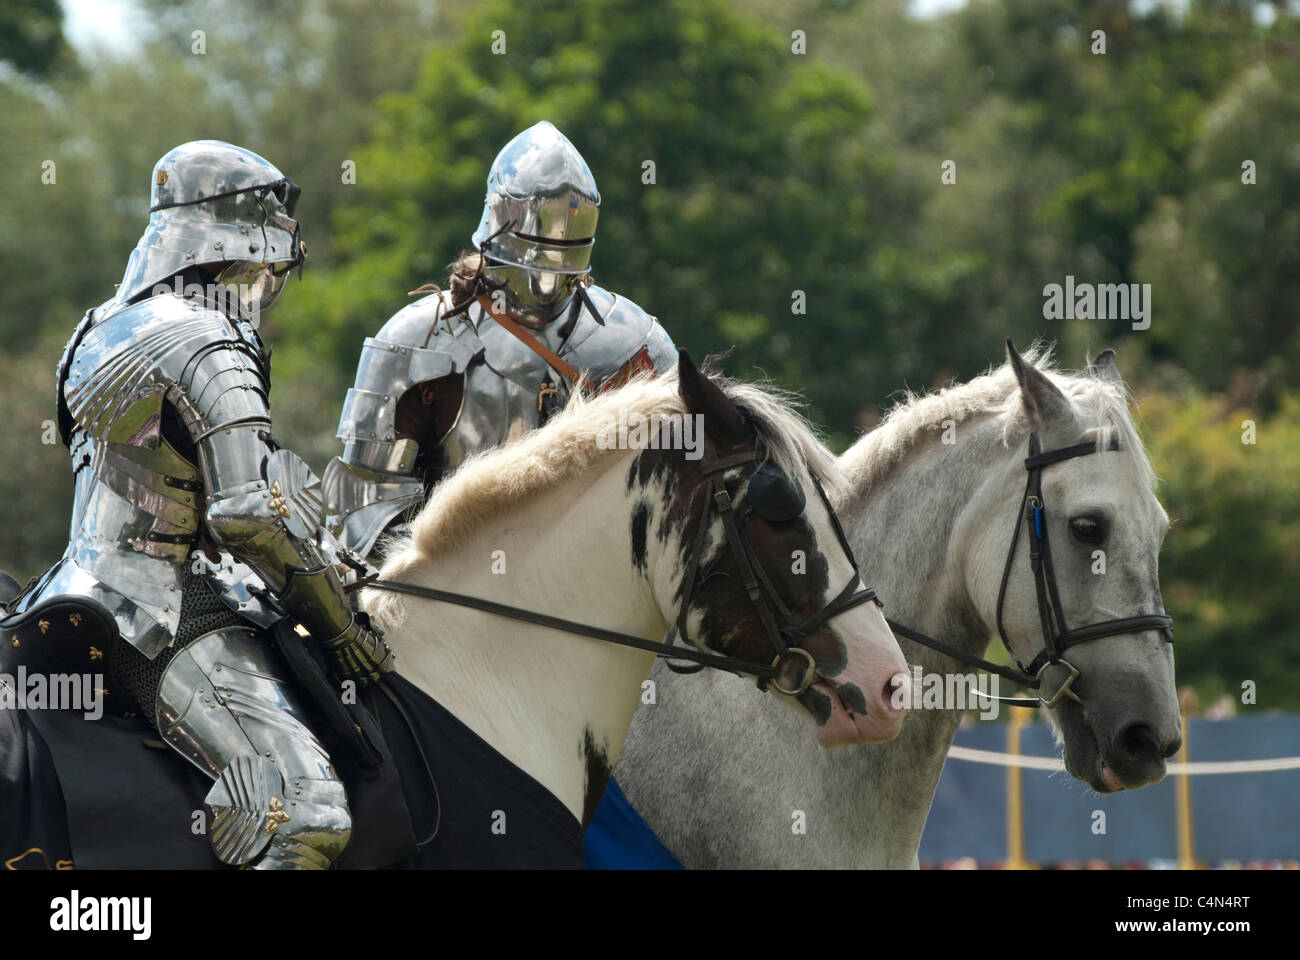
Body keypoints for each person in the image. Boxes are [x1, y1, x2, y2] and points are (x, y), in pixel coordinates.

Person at [5, 141, 392, 869]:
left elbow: (154, 480)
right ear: (238, 251)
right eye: (267, 269)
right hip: (153, 612)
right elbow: (247, 514)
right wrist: (339, 630)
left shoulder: (95, 330)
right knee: (304, 814)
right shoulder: (210, 336)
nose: (266, 287)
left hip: (70, 584)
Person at [323, 121, 676, 560]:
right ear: (498, 225)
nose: (547, 269)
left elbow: (679, 494)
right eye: (536, 244)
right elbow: (362, 512)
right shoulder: (417, 341)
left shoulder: (633, 343)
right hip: (455, 605)